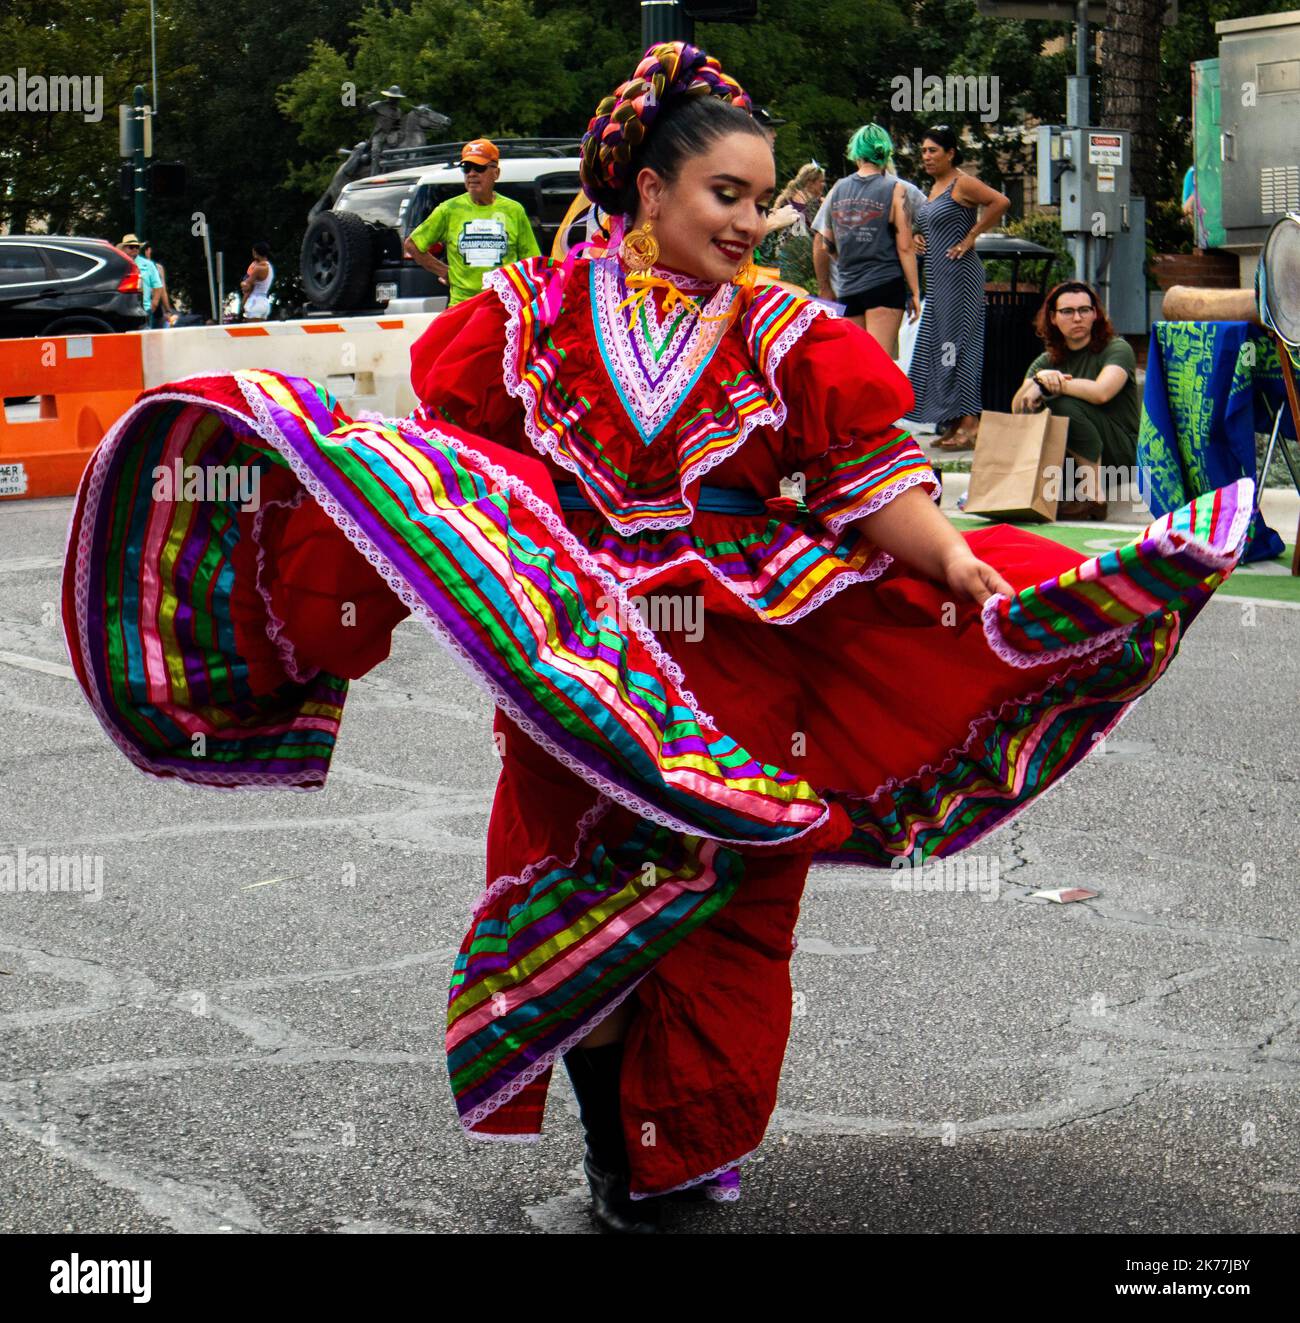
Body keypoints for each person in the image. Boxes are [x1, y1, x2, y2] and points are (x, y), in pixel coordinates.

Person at [63, 41, 1252, 1236]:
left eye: (760, 199)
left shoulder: (787, 331)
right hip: (567, 642)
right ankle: (620, 1160)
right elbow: (457, 468)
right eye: (724, 196)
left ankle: (681, 1161)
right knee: (585, 876)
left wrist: (954, 562)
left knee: (734, 893)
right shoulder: (521, 320)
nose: (751, 223)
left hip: (740, 642)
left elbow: (861, 478)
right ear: (648, 190)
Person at [907, 125, 1010, 451]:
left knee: (960, 346)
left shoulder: (962, 182)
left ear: (950, 153)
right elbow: (928, 223)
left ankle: (971, 423)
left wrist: (971, 236)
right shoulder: (935, 187)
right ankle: (953, 420)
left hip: (960, 277)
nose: (926, 156)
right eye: (923, 151)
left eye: (932, 150)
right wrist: (917, 235)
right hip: (938, 279)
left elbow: (1001, 201)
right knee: (941, 348)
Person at [1011, 279, 1140, 518]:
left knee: (1059, 403)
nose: (1077, 318)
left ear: (1095, 315)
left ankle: (1093, 495)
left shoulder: (1117, 349)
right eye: (1068, 311)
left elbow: (1102, 392)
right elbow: (1019, 408)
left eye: (1084, 310)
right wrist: (1038, 381)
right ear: (1053, 318)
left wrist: (1056, 384)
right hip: (1070, 455)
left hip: (1120, 452)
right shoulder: (1047, 361)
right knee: (1043, 405)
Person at [812, 124, 921, 356]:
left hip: (848, 286)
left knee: (856, 363)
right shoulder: (894, 188)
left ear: (857, 152)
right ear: (885, 152)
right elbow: (905, 246)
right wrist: (914, 291)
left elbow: (826, 243)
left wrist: (845, 262)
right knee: (879, 363)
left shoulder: (838, 188)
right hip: (884, 283)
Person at [402, 138, 540, 305]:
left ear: (496, 173)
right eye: (467, 168)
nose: (472, 174)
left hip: (501, 307)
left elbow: (532, 261)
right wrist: (445, 273)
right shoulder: (449, 209)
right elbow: (413, 244)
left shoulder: (514, 210)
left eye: (479, 168)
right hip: (462, 306)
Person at [755, 162, 824, 290]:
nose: (823, 185)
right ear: (810, 182)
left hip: (808, 257)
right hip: (785, 254)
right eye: (820, 181)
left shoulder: (819, 203)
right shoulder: (787, 198)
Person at [120, 233, 163, 328]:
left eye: (137, 247)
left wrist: (154, 304)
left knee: (144, 339)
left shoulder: (148, 265)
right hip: (122, 310)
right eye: (131, 247)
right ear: (124, 249)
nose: (135, 249)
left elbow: (158, 285)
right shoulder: (119, 264)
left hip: (143, 310)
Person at [238, 242, 275, 321]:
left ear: (255, 252)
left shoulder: (258, 268)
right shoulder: (269, 267)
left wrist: (242, 283)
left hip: (255, 301)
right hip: (264, 301)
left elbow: (247, 286)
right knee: (262, 332)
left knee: (251, 332)